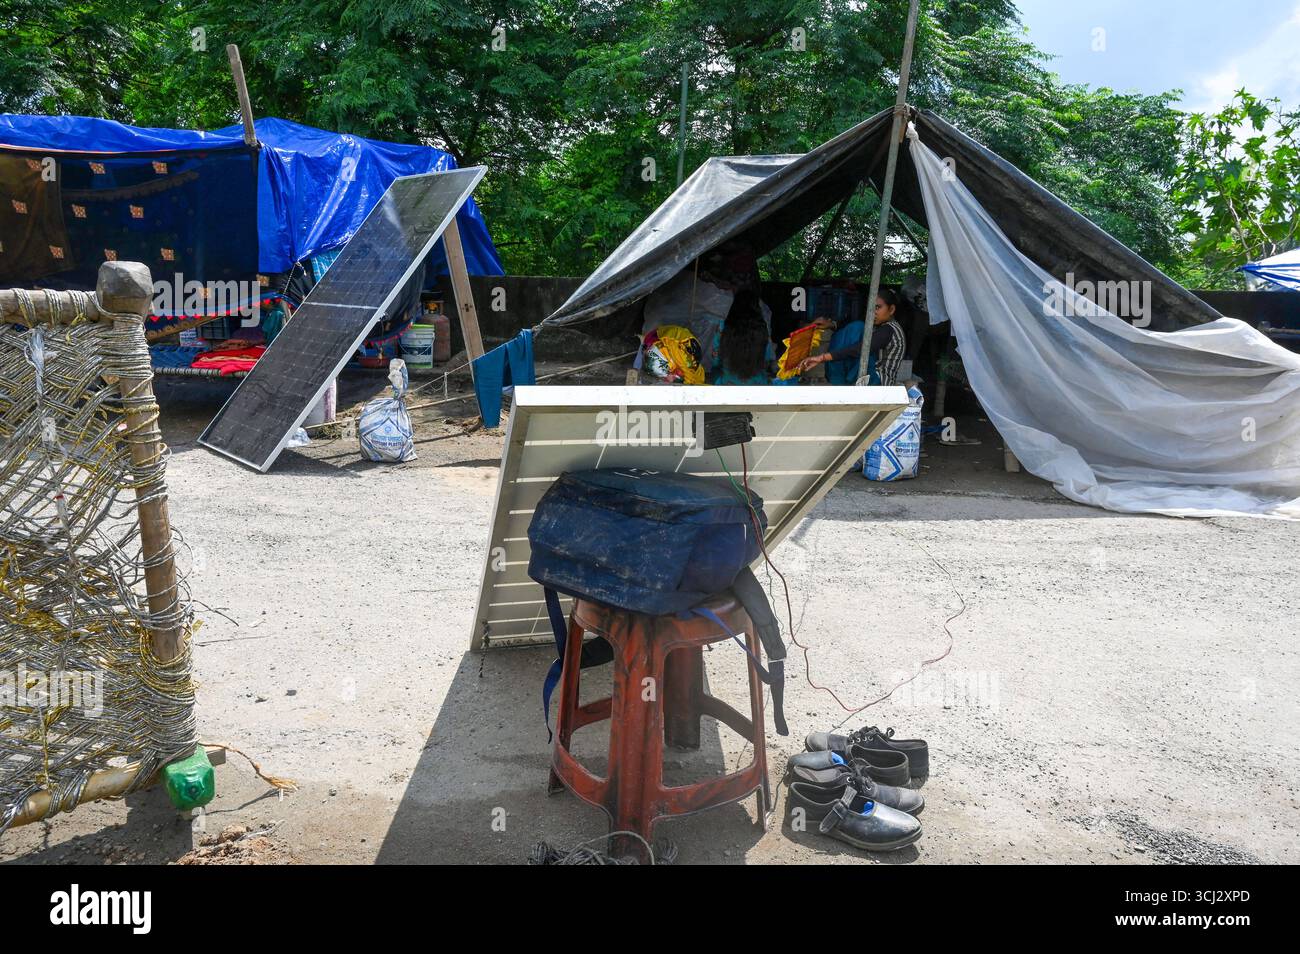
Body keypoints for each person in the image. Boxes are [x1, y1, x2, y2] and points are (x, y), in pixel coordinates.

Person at [799, 287, 907, 385]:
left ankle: (839, 381)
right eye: (871, 308)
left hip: (879, 381)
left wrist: (821, 358)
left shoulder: (890, 330)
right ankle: (838, 380)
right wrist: (831, 324)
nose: (873, 312)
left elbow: (859, 349)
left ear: (891, 309)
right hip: (869, 375)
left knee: (857, 328)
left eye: (878, 307)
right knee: (852, 330)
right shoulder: (879, 325)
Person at [713, 290, 772, 385]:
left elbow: (715, 362)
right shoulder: (763, 329)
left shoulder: (722, 327)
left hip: (727, 385)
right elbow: (767, 360)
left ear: (733, 307)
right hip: (758, 386)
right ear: (757, 308)